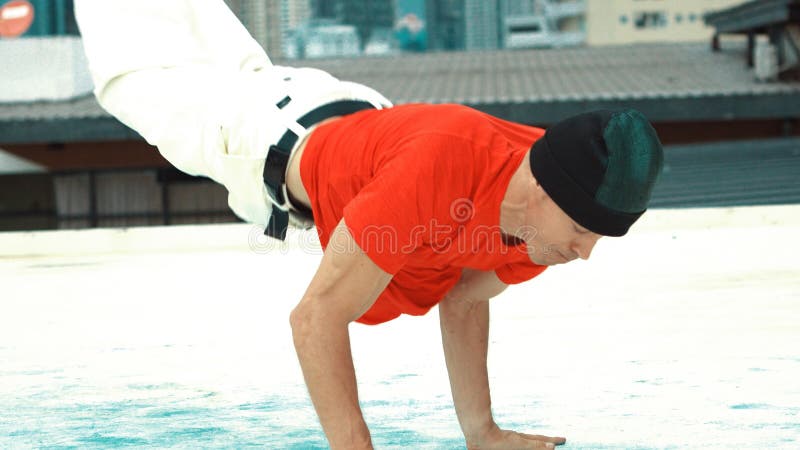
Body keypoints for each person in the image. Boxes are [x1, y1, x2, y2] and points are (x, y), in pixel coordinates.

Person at [74, 1, 664, 449]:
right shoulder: (439, 174)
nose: (585, 251)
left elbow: (464, 296)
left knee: (206, 33)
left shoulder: (544, 214)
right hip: (250, 135)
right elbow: (314, 320)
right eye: (582, 230)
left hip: (340, 110)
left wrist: (482, 433)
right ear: (540, 189)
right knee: (125, 67)